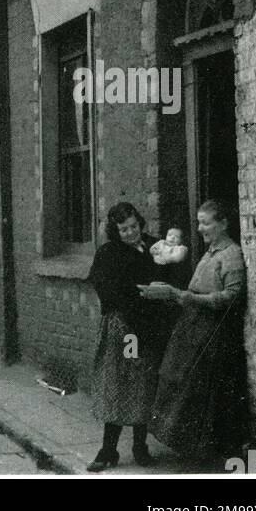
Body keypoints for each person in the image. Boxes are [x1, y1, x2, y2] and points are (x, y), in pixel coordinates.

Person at [140, 199, 249, 466]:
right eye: (199, 222)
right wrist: (168, 292)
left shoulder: (231, 254)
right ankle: (190, 449)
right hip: (192, 327)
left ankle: (205, 454)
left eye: (206, 222)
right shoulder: (210, 251)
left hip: (212, 331)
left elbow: (232, 297)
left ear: (223, 223)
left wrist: (186, 297)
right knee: (179, 383)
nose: (200, 228)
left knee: (200, 389)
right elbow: (196, 289)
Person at [86, 201, 163, 471]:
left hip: (150, 327)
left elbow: (172, 275)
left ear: (139, 222)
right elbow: (105, 289)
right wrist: (136, 296)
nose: (130, 233)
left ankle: (140, 447)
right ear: (115, 231)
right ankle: (108, 450)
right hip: (124, 330)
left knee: (143, 384)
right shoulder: (108, 254)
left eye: (133, 226)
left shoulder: (156, 247)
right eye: (123, 229)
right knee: (119, 383)